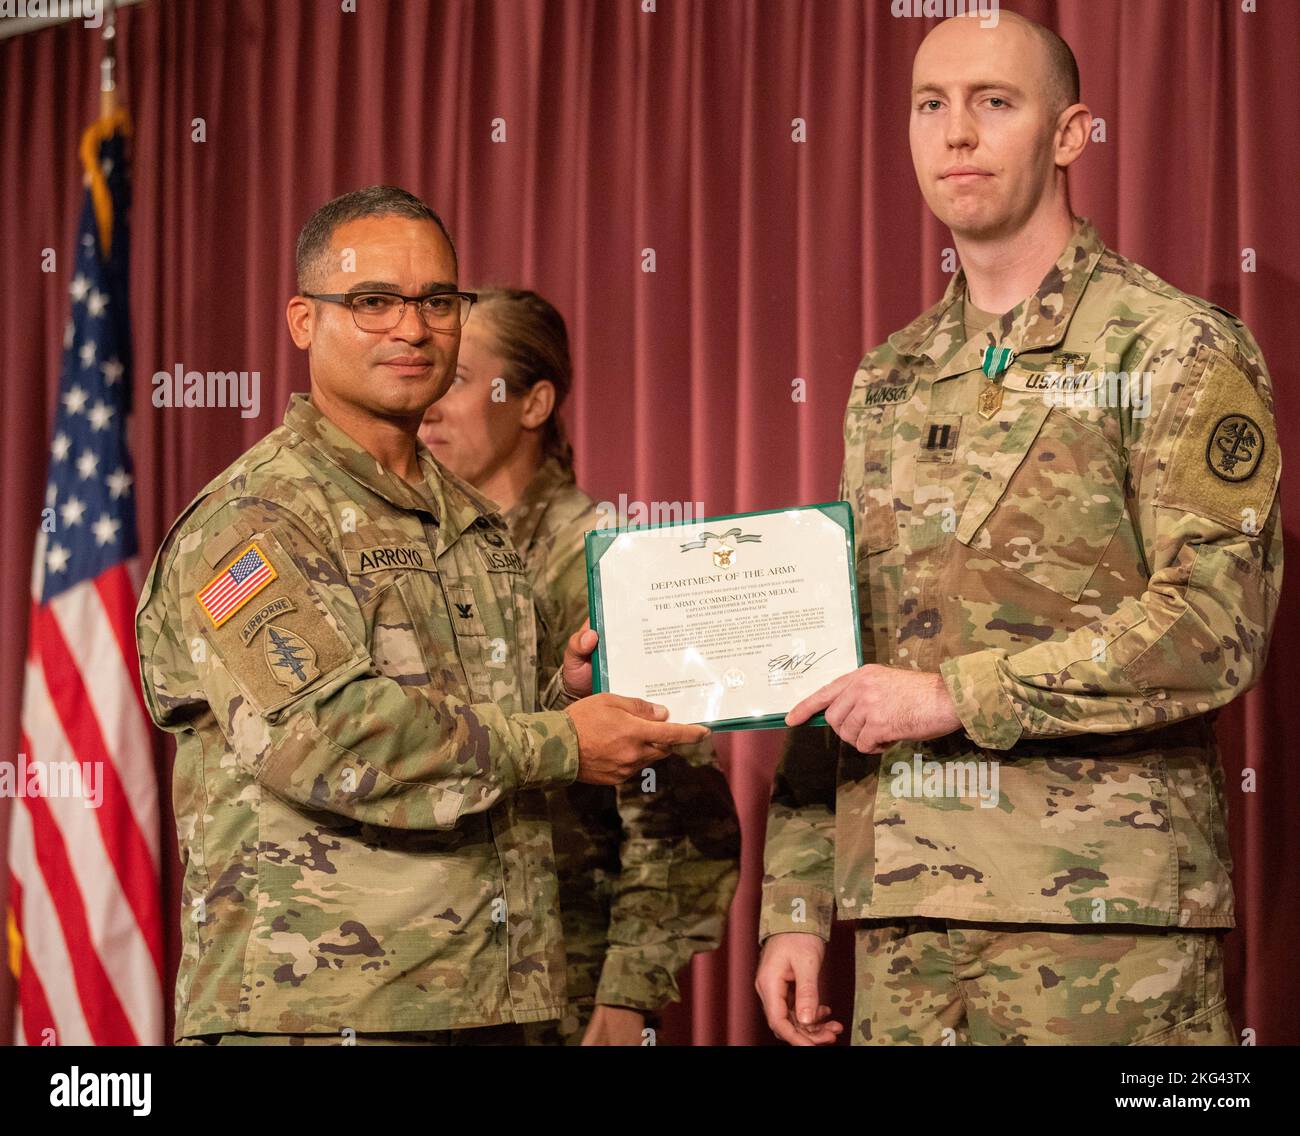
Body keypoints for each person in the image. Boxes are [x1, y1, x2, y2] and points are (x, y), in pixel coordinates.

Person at [756, 11, 1282, 1046]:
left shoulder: (1173, 347)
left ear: (1069, 133)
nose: (956, 133)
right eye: (930, 105)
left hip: (1099, 928)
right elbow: (840, 645)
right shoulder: (888, 374)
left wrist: (954, 694)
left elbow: (1214, 627)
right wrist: (798, 899)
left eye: (993, 103)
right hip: (903, 914)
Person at [136, 185, 708, 1045]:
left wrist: (564, 694)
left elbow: (475, 728)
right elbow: (325, 736)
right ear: (303, 321)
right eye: (372, 302)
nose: (411, 329)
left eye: (437, 301)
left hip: (488, 1000)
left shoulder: (469, 521)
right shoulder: (256, 520)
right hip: (320, 1014)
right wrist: (561, 740)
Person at [420, 286, 741, 1045]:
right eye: (429, 375)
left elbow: (673, 799)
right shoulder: (422, 556)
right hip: (442, 976)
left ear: (533, 403)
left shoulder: (609, 562)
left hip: (563, 981)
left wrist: (629, 991)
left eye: (460, 379)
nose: (429, 403)